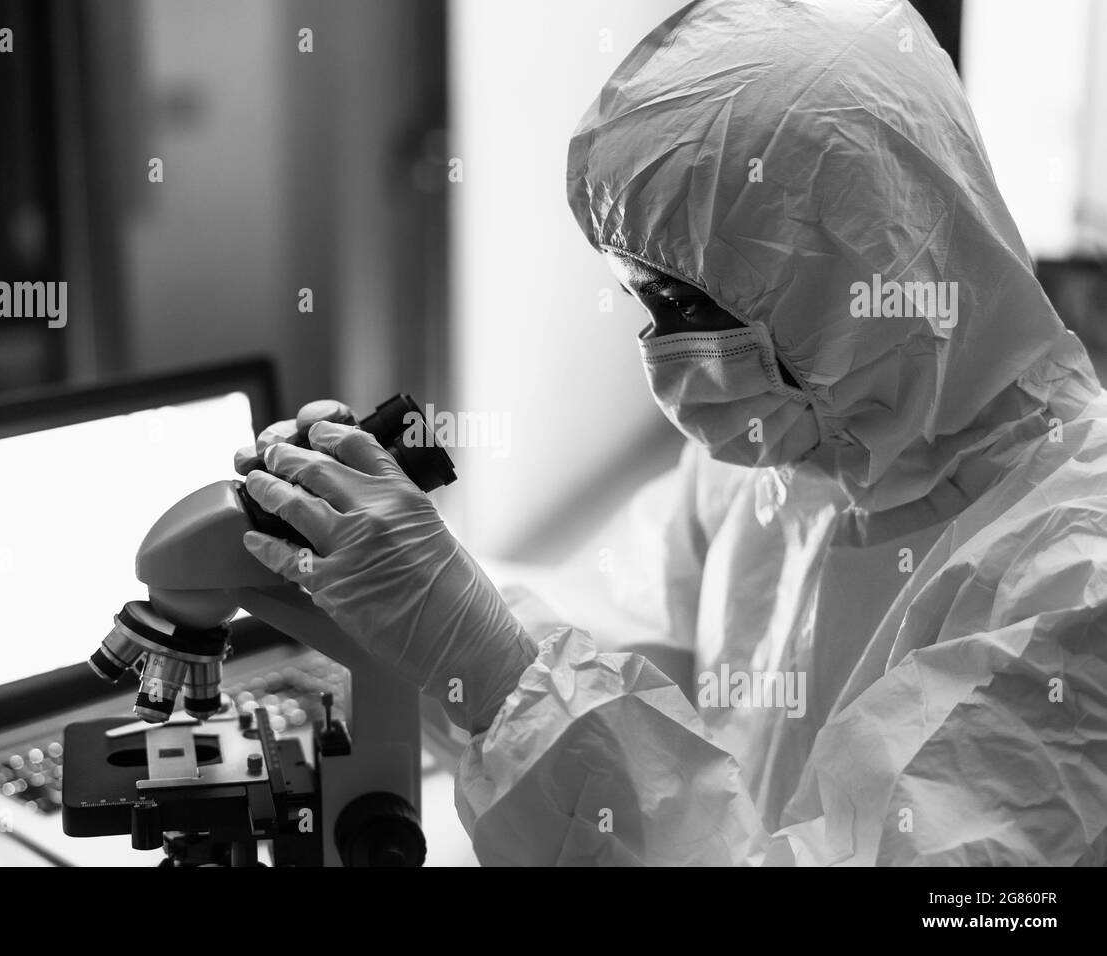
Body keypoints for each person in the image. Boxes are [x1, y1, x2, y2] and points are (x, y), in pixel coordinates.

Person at [238, 0, 1107, 865]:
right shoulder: (794, 459)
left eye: (688, 305)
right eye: (645, 302)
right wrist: (395, 582)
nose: (659, 351)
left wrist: (479, 653)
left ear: (863, 278)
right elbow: (614, 657)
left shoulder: (1071, 585)